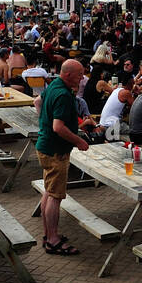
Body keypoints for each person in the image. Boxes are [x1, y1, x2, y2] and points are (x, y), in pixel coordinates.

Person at [34, 58, 88, 256]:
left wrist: (43, 124)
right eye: (79, 75)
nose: (82, 78)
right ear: (68, 74)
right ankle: (53, 241)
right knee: (55, 197)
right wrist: (79, 141)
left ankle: (48, 235)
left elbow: (37, 101)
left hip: (46, 146)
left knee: (49, 192)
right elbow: (58, 127)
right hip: (56, 151)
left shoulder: (54, 84)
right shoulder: (64, 94)